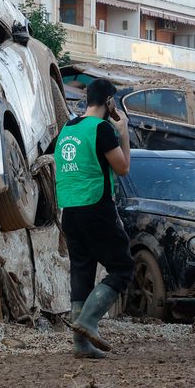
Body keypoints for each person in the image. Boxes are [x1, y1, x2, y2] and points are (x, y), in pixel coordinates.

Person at [53, 78, 133, 359]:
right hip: (96, 206)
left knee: (82, 270)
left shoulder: (67, 129)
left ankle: (81, 345)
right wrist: (122, 132)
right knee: (122, 268)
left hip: (69, 210)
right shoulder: (102, 129)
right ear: (110, 102)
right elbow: (123, 168)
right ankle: (88, 321)